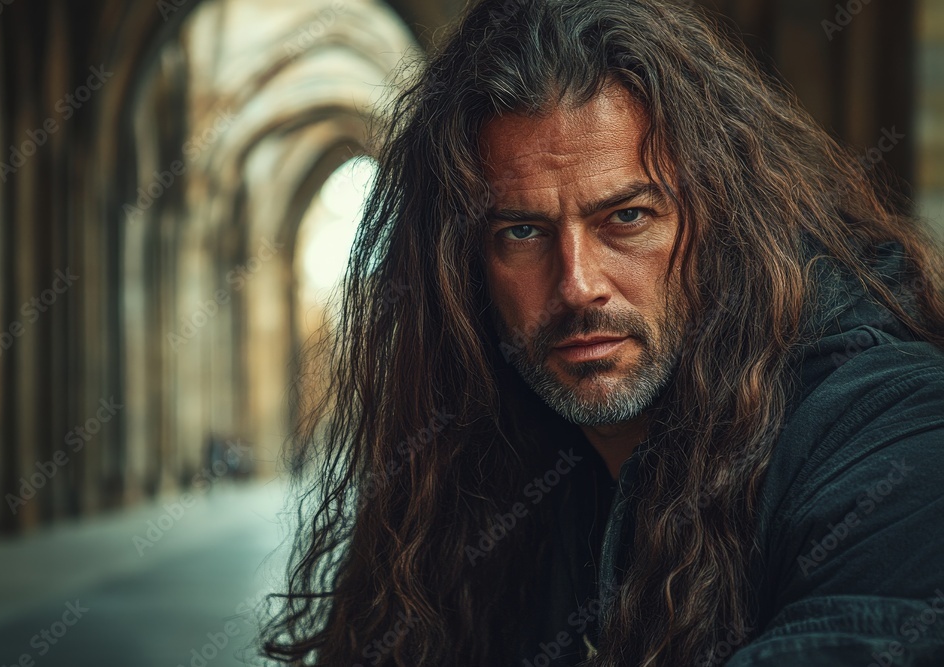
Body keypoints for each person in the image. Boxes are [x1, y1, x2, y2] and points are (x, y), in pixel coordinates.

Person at [258, 0, 944, 665]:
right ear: (467, 270)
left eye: (627, 218)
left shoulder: (889, 428)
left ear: (721, 219)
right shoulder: (477, 469)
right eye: (521, 232)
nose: (578, 282)